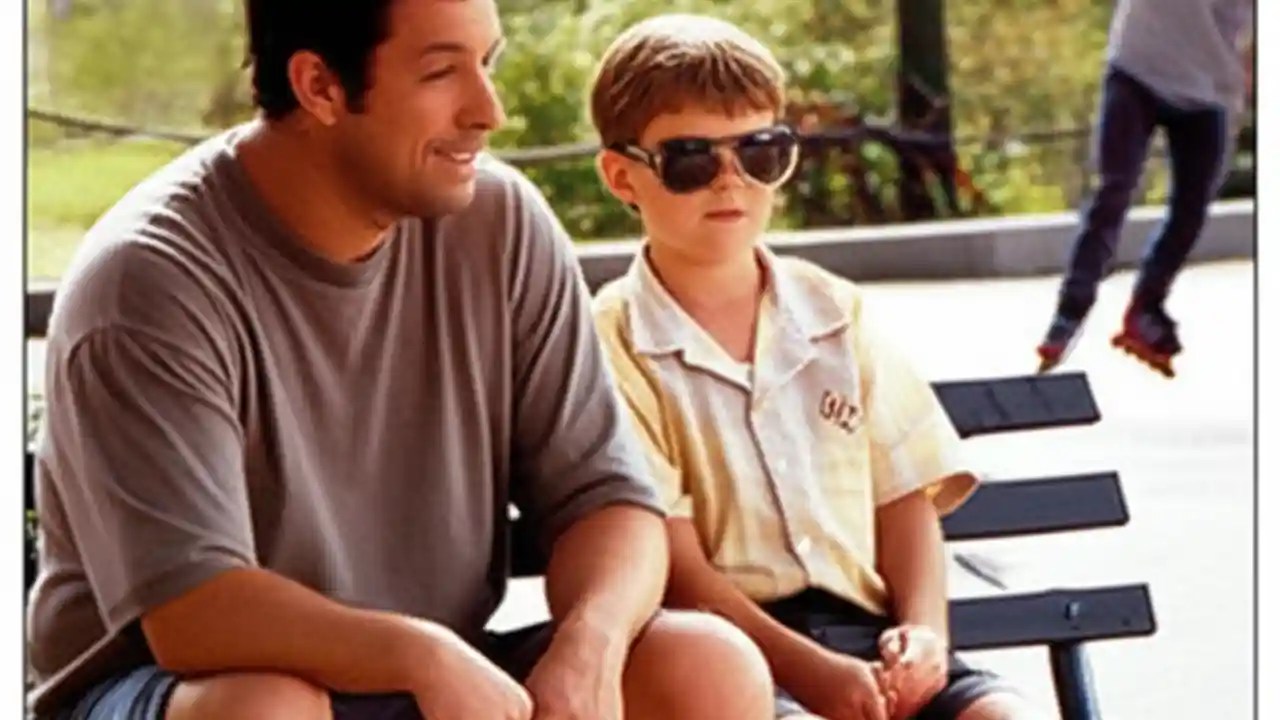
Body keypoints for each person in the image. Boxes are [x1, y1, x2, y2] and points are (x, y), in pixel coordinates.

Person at [25, 2, 780, 718]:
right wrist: (418, 654)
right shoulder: (149, 283)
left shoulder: (500, 224)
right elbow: (196, 615)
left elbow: (608, 501)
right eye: (441, 71)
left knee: (706, 667)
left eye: (488, 61)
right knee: (266, 707)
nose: (489, 109)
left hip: (444, 670)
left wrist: (592, 644)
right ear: (319, 85)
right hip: (181, 686)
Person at [586, 13, 1045, 720]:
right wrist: (813, 674)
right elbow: (673, 567)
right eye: (691, 159)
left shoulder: (834, 311)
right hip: (734, 656)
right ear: (623, 176)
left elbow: (904, 497)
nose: (731, 181)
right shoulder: (615, 340)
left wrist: (925, 633)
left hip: (872, 637)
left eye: (761, 152)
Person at [1035, 0, 1254, 377]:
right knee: (1114, 189)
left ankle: (1146, 306)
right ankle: (1071, 309)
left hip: (1208, 90)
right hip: (1138, 69)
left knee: (1191, 209)